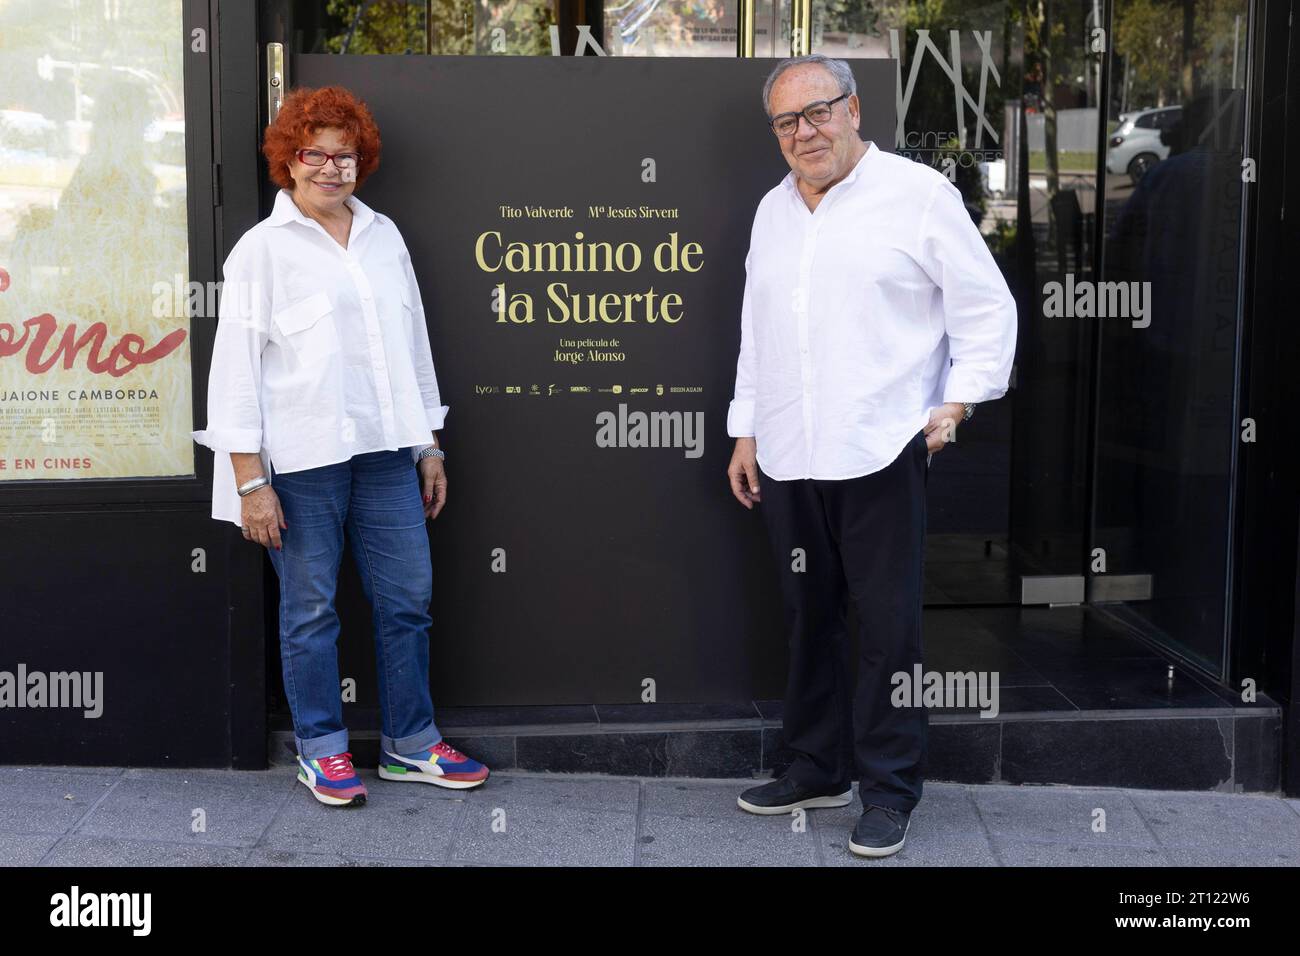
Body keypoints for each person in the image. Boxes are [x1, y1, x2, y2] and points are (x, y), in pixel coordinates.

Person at [726, 55, 1016, 857]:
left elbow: (986, 306)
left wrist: (956, 403)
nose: (804, 132)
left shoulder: (918, 196)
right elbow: (758, 328)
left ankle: (890, 788)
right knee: (806, 617)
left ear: (853, 108)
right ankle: (817, 766)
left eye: (818, 112)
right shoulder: (772, 210)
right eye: (787, 121)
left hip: (882, 445)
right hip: (788, 450)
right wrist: (747, 430)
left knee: (889, 631)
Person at [192, 85, 488, 807]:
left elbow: (411, 344)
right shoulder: (261, 251)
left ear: (361, 161)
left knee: (407, 601)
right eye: (314, 154)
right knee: (311, 611)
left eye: (344, 155)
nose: (331, 168)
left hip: (388, 455)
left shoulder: (385, 236)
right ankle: (321, 749)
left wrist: (429, 444)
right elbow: (234, 372)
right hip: (301, 464)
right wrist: (249, 482)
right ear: (287, 162)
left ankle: (410, 745)